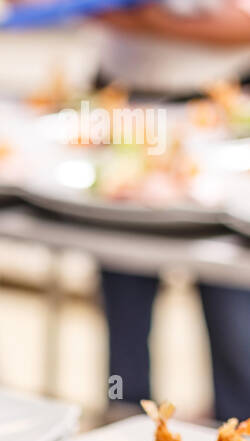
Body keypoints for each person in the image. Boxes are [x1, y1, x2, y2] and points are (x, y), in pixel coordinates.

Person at [98, 0, 250, 418]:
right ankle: (125, 427)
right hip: (126, 111)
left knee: (231, 304)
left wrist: (148, 20)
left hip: (217, 116)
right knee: (124, 299)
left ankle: (235, 429)